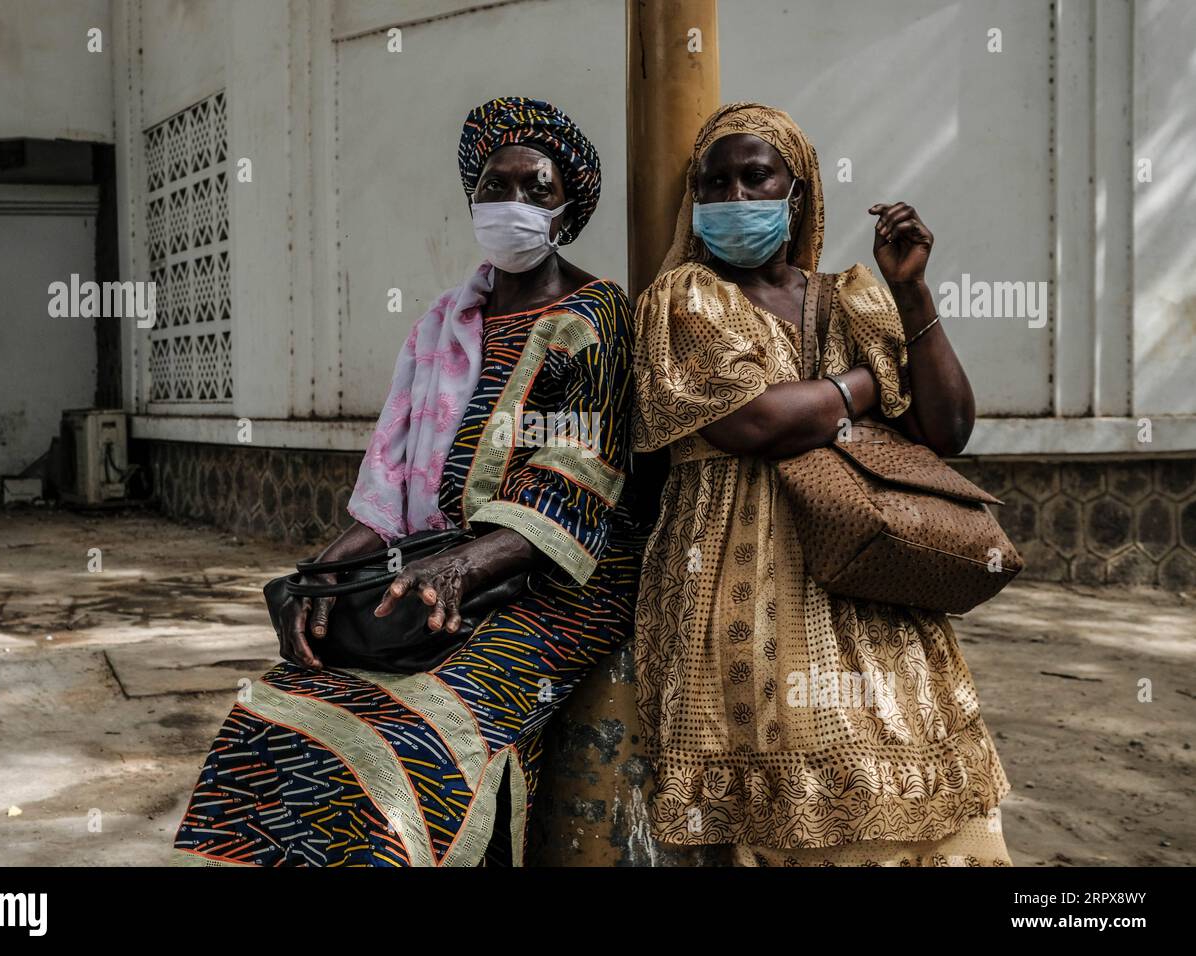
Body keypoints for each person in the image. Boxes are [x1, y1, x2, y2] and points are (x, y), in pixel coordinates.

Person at [174, 96, 646, 866]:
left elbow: (573, 485)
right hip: (435, 573)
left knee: (418, 729)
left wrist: (459, 566)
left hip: (561, 588)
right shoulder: (445, 324)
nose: (512, 204)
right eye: (496, 187)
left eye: (537, 189)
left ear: (569, 208)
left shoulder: (597, 317)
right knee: (285, 707)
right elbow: (391, 495)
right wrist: (321, 578)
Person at [631, 102, 1012, 866]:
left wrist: (912, 295)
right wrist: (862, 389)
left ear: (797, 191)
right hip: (735, 577)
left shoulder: (854, 295)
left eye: (755, 177)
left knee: (903, 769)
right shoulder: (684, 299)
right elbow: (755, 422)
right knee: (778, 790)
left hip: (864, 567)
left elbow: (947, 430)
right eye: (714, 184)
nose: (735, 198)